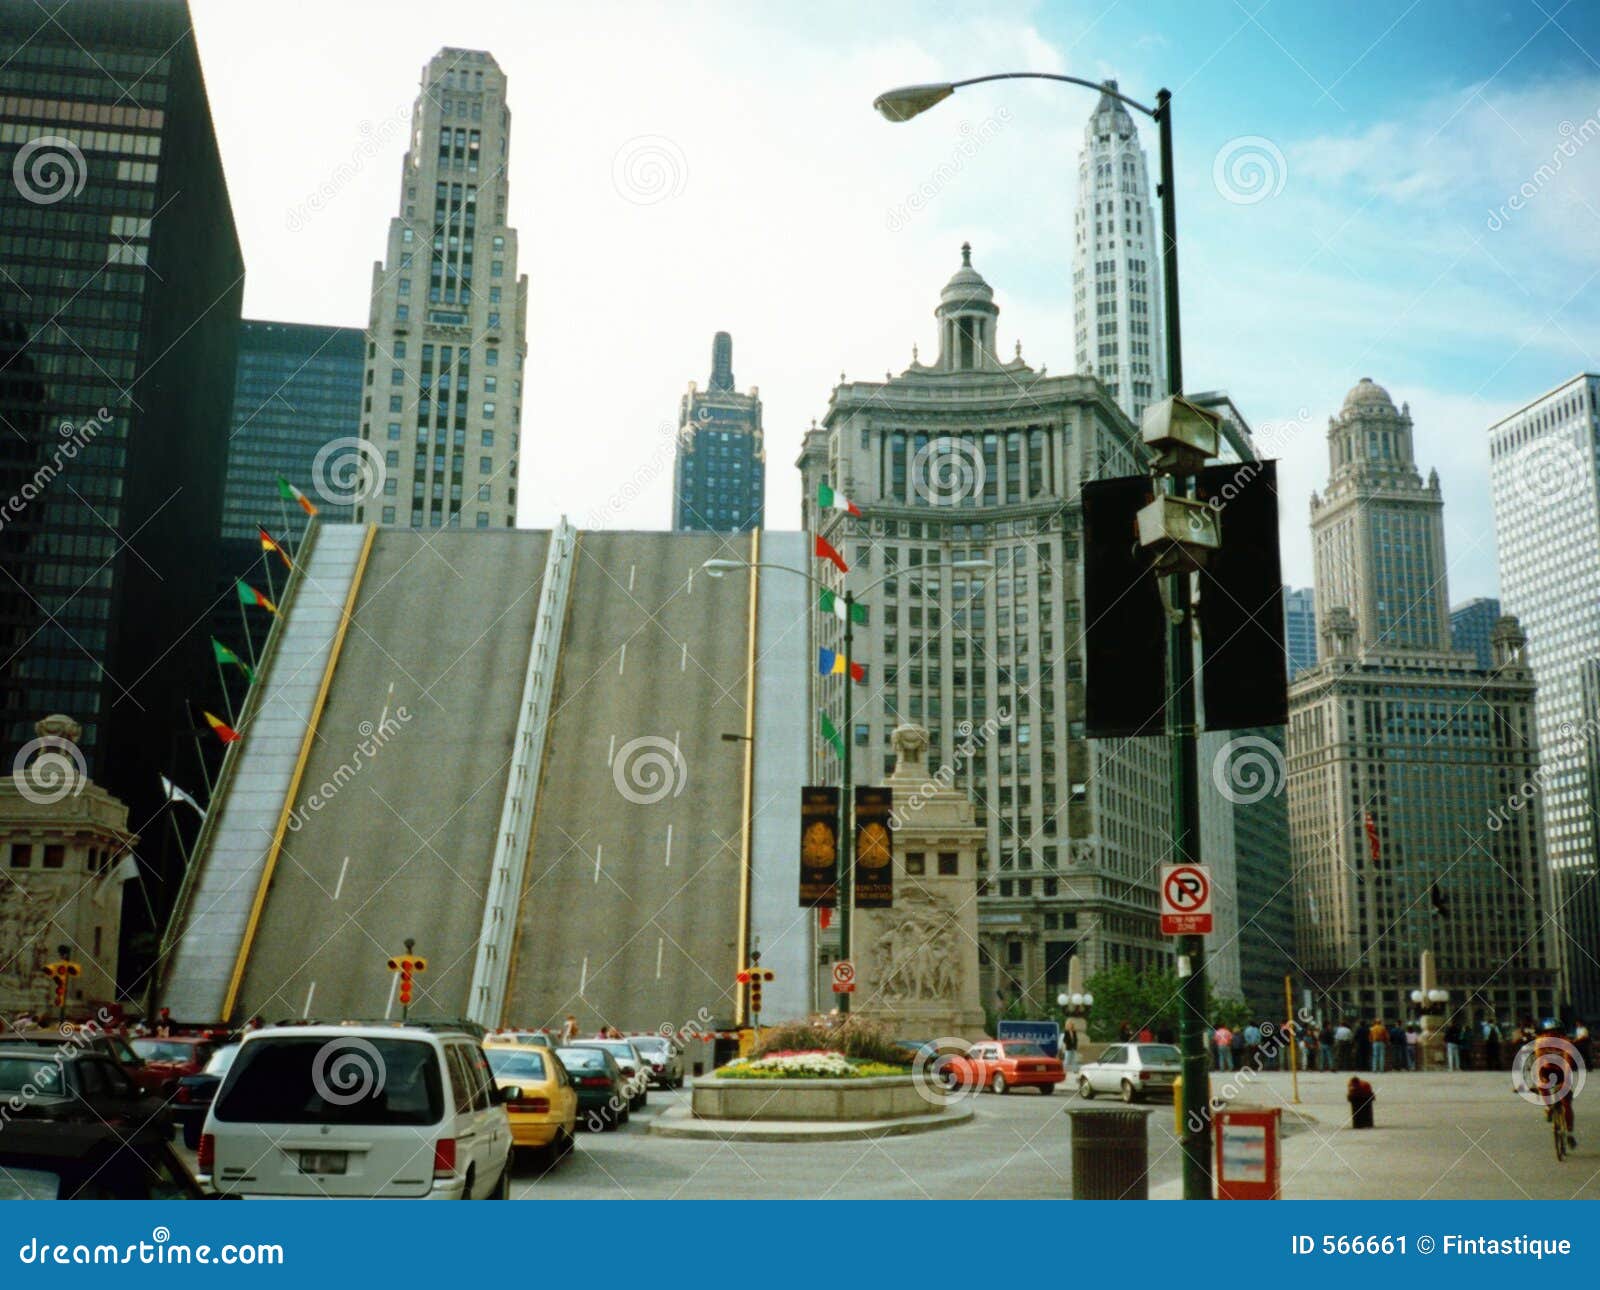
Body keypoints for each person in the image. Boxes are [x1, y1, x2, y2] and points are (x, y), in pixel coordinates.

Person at [1531, 1019, 1577, 1149]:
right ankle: (1548, 1107)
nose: (1551, 1035)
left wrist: (1565, 1082)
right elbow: (1540, 1062)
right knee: (1541, 1083)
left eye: (1555, 1033)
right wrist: (1544, 1081)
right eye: (1548, 1033)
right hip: (1546, 1069)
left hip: (1562, 1071)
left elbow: (1568, 1063)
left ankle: (1569, 1133)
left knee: (1566, 1102)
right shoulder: (1540, 1042)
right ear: (1543, 1033)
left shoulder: (1566, 1043)